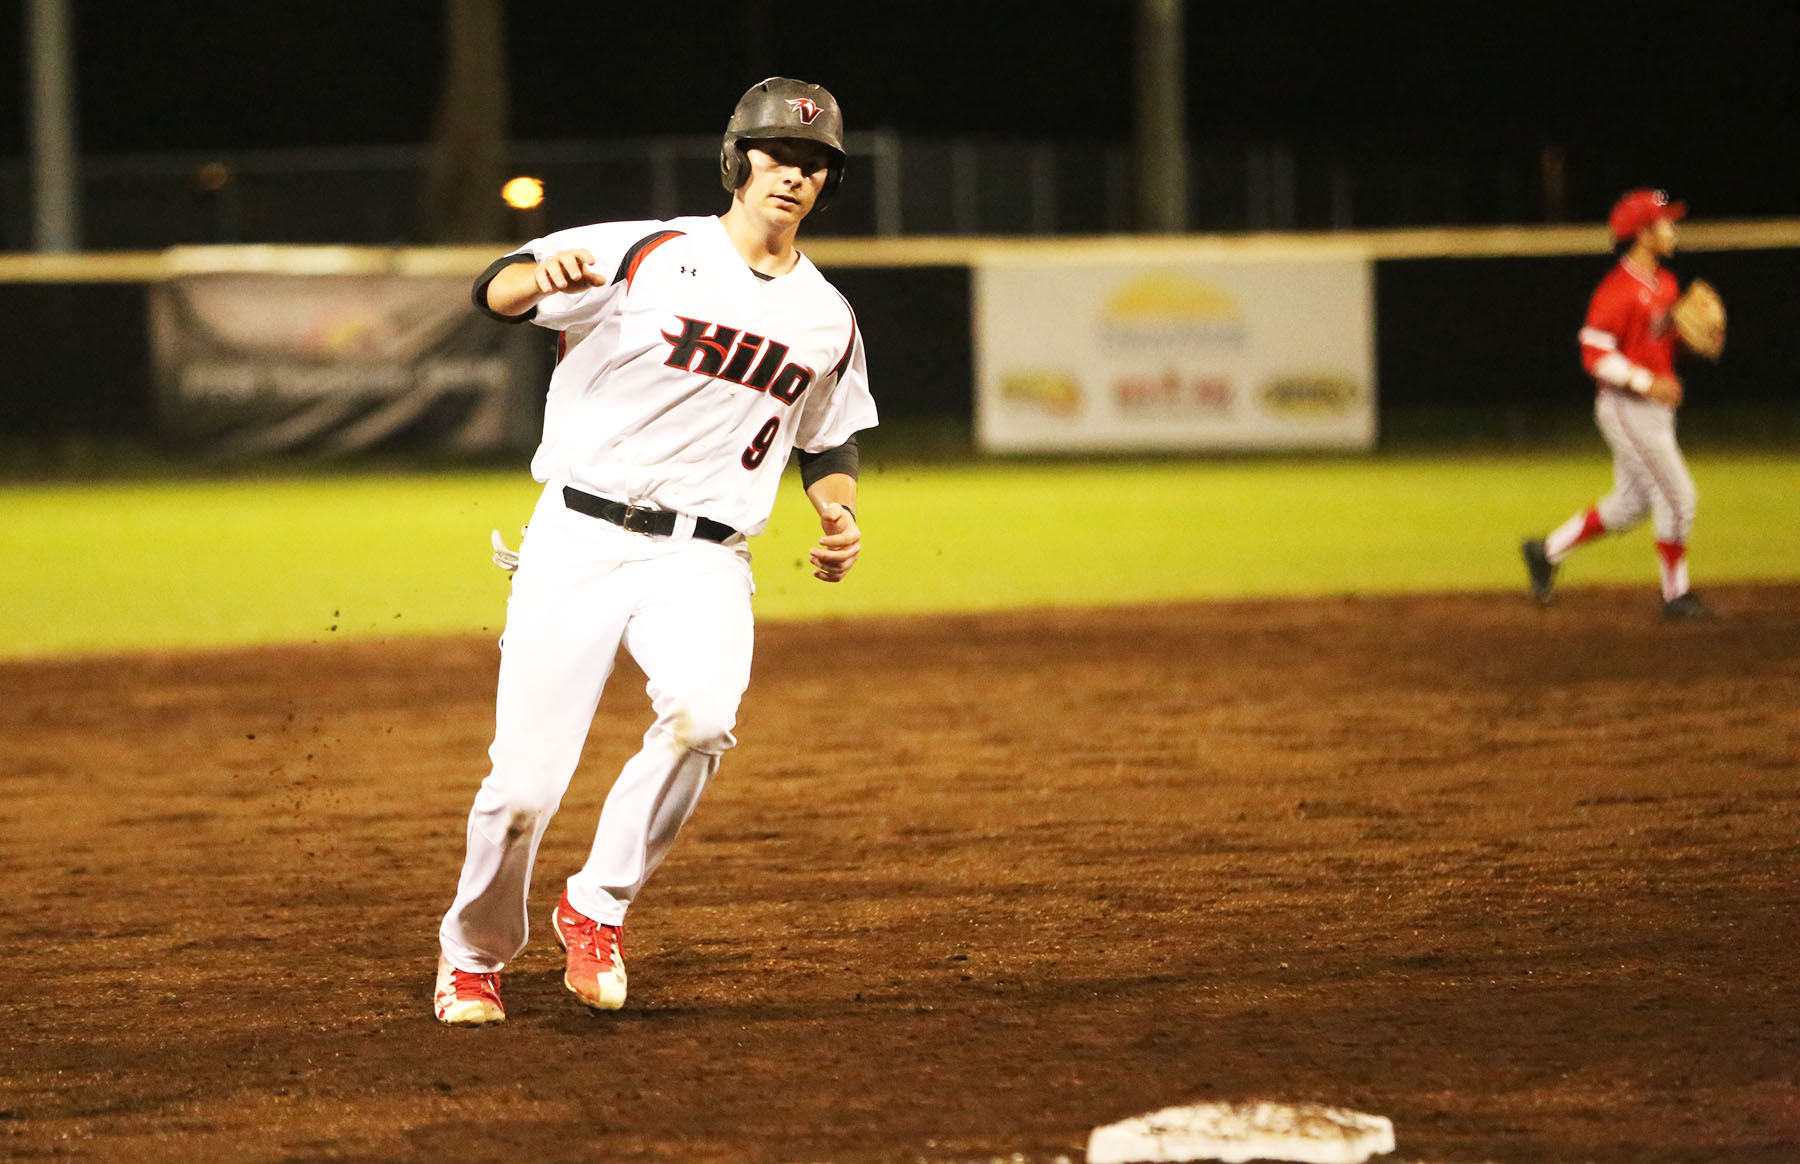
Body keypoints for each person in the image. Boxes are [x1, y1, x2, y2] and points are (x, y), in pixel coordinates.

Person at [433, 77, 877, 1025]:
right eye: (777, 155)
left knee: (704, 718)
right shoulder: (648, 249)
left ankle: (595, 906)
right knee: (522, 790)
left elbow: (828, 434)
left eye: (814, 164)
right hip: (580, 537)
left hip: (705, 557)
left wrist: (836, 510)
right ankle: (471, 957)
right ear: (737, 160)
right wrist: (534, 280)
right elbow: (496, 289)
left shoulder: (827, 316)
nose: (792, 176)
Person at [1521, 188, 1710, 620]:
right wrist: (1646, 382)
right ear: (1643, 233)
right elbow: (1595, 354)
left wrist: (1686, 342)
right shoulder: (1617, 291)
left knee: (1631, 505)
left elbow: (1654, 344)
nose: (1673, 230)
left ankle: (1545, 551)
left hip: (1656, 412)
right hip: (1626, 409)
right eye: (1666, 222)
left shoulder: (1666, 283)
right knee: (1678, 496)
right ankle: (1675, 595)